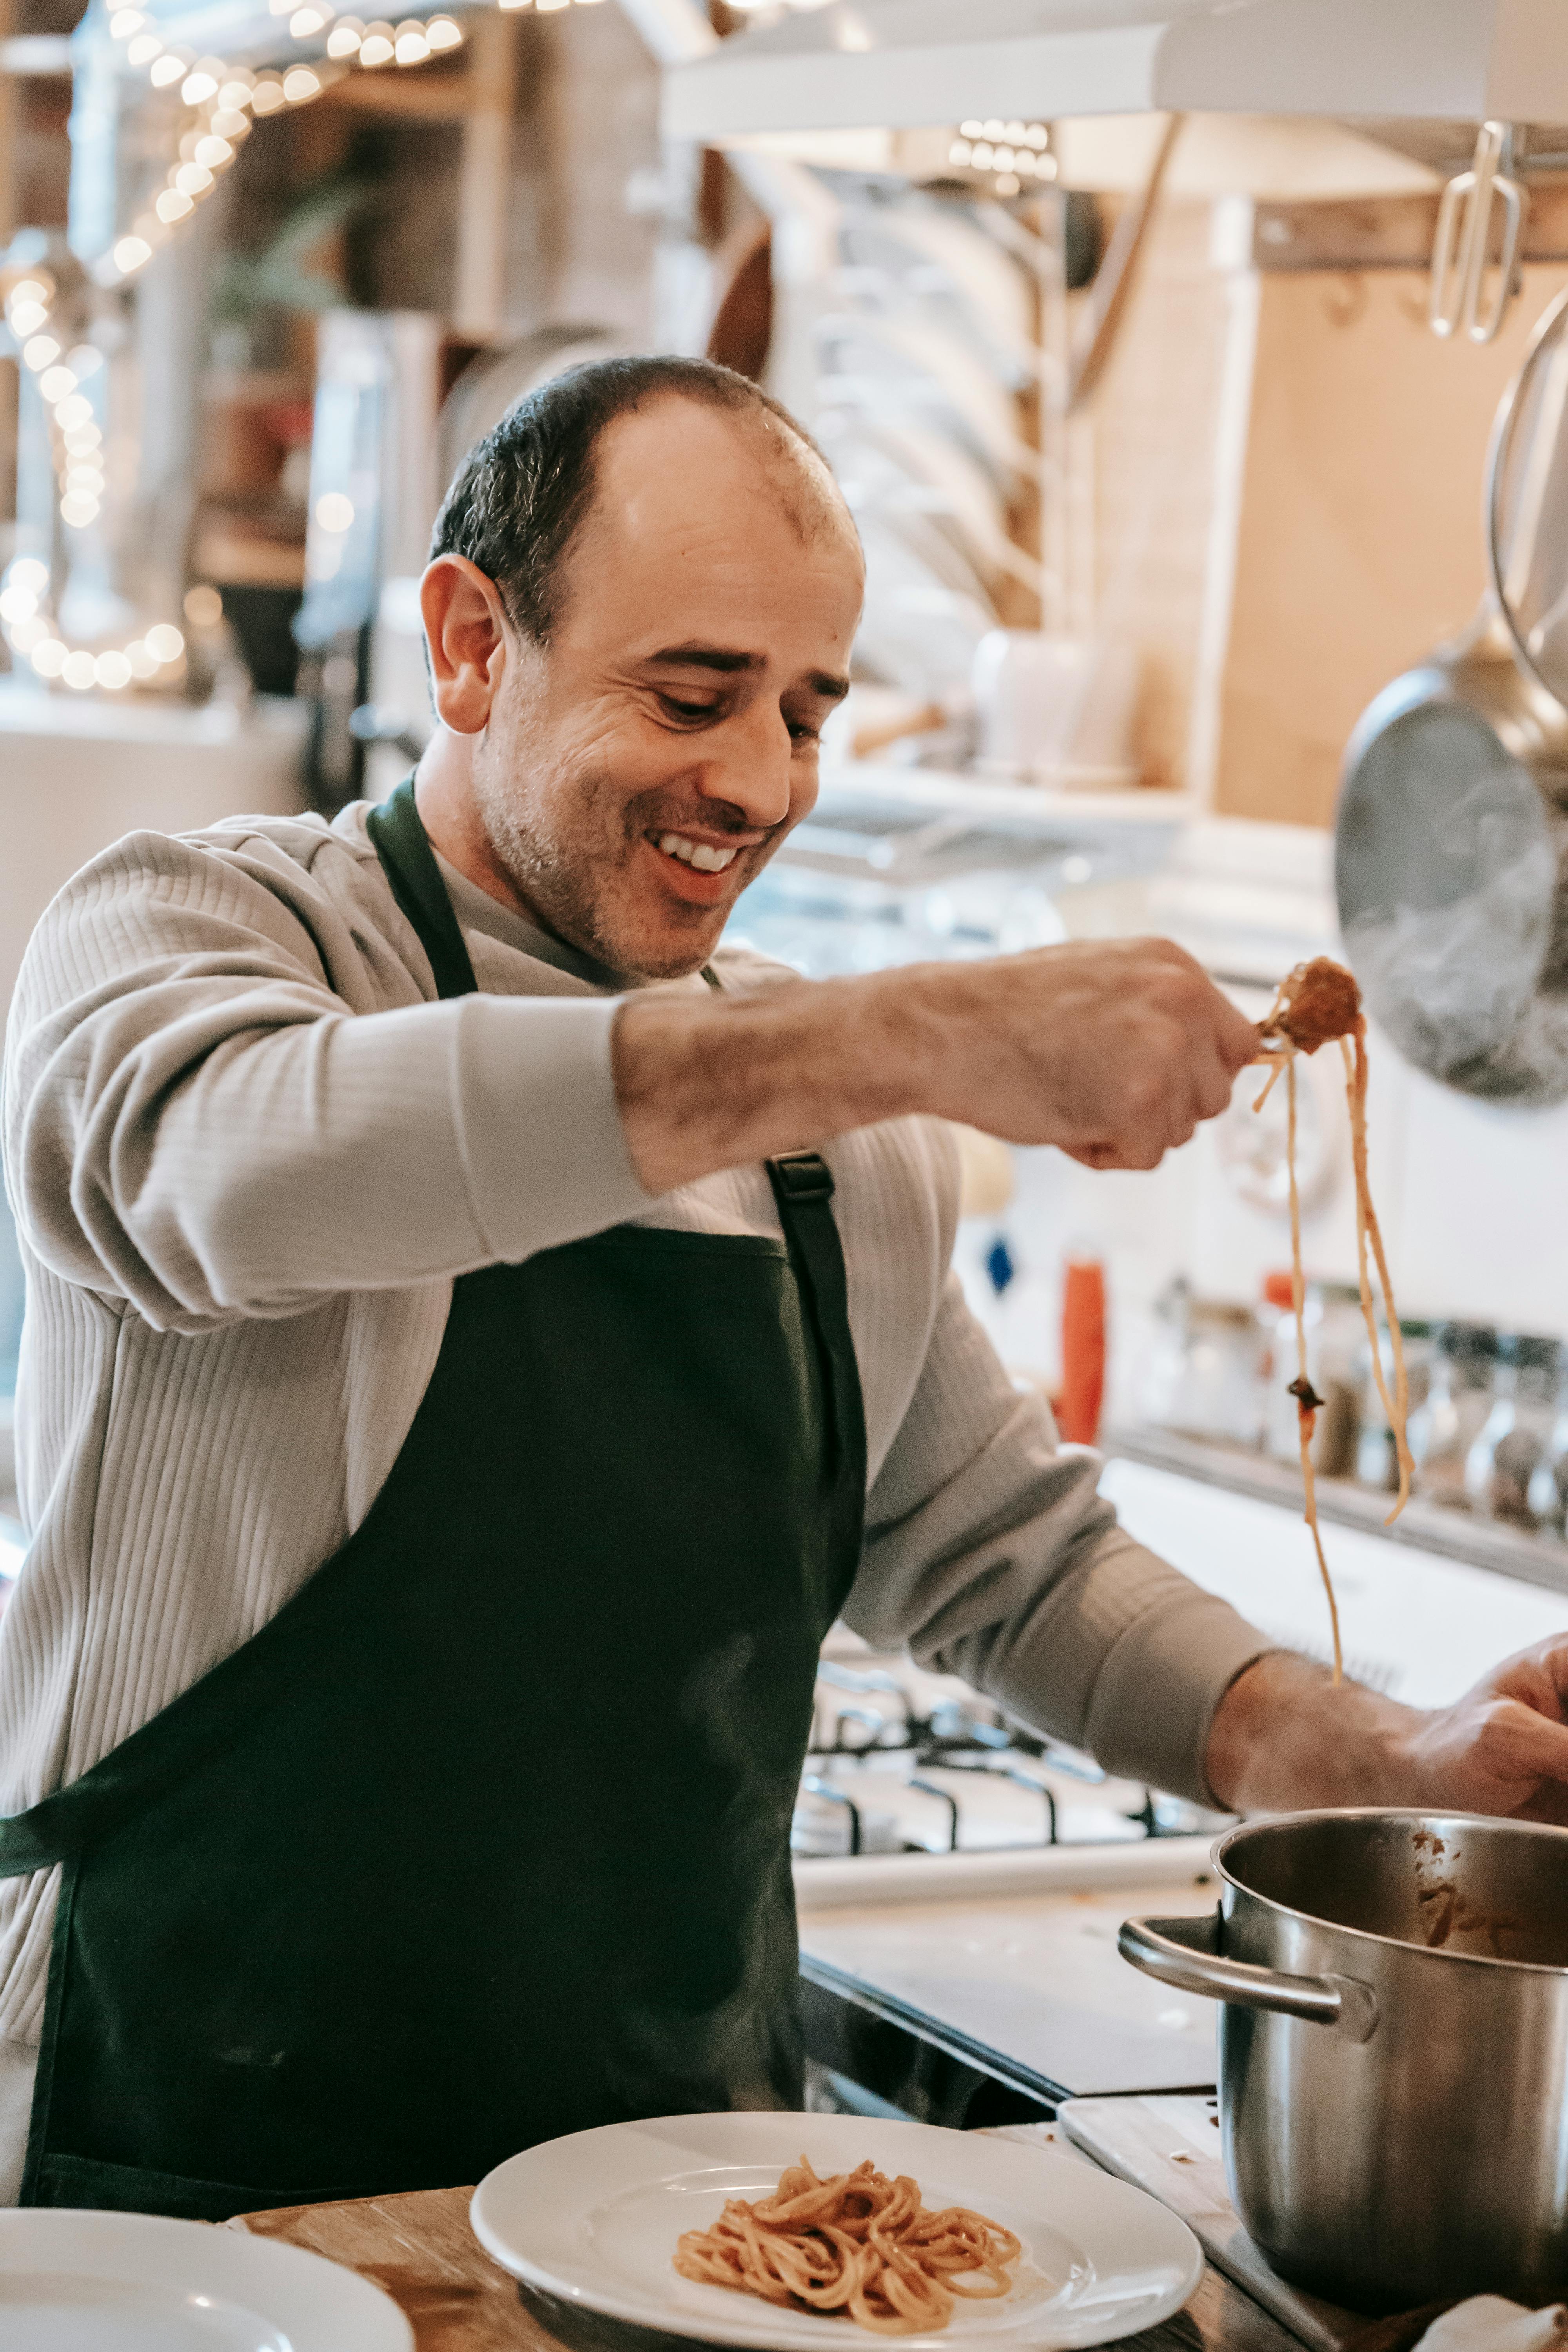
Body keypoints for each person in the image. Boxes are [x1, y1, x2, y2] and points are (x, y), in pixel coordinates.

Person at [2, 356, 1565, 2219]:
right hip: (186, 2176)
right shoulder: (197, 931)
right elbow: (238, 1167)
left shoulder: (840, 1133)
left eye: (808, 713)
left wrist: (1379, 1754)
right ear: (470, 641)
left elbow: (1012, 1562)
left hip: (687, 2195)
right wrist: (913, 1030)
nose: (756, 783)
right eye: (691, 694)